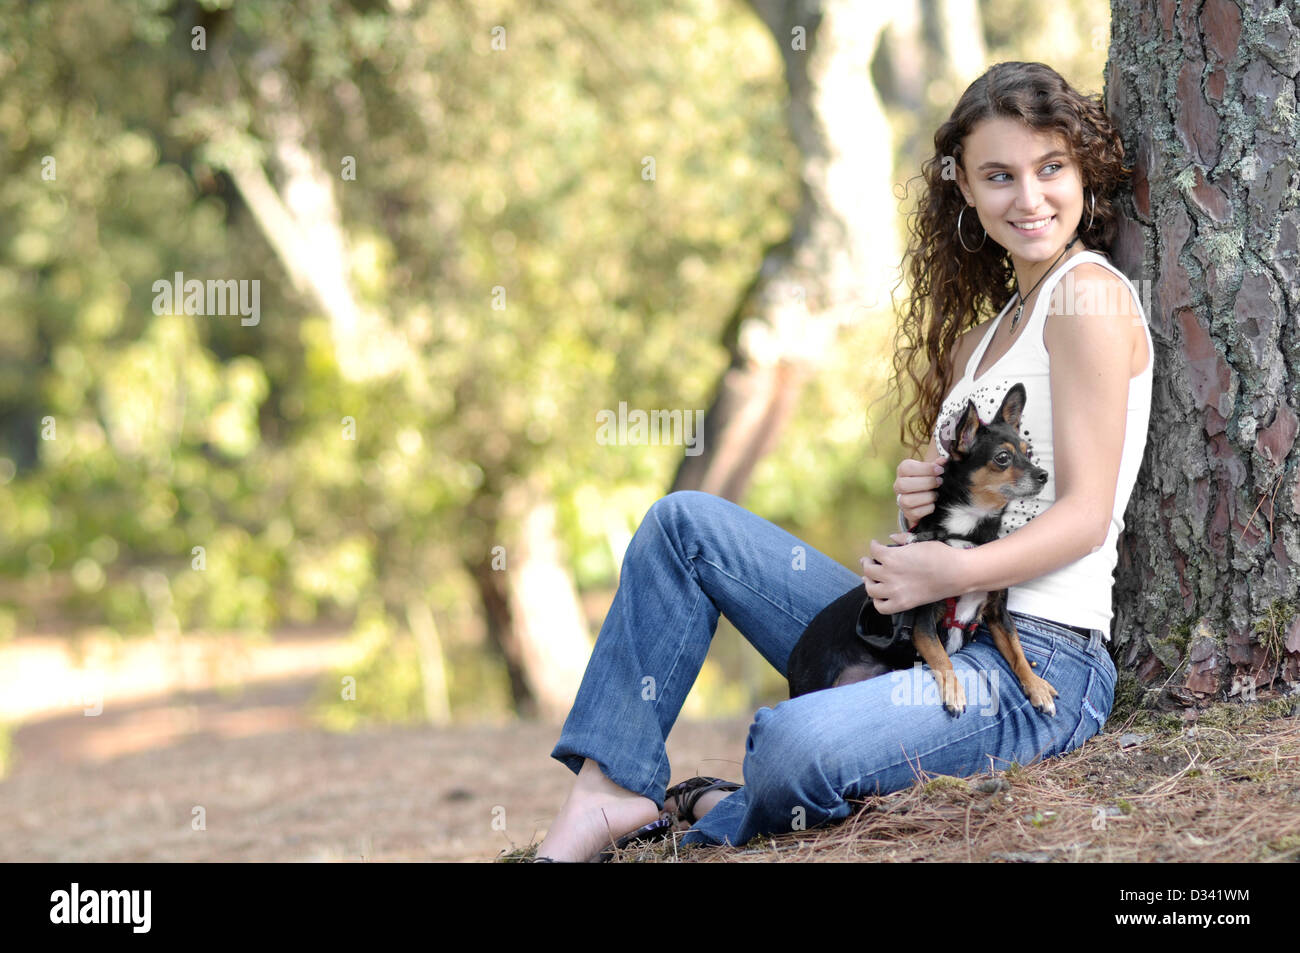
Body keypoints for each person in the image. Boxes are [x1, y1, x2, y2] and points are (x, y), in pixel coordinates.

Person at [530, 61, 1153, 862]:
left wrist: (945, 575)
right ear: (962, 186)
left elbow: (1084, 515)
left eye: (1051, 169)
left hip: (1036, 659)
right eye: (999, 175)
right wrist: (921, 501)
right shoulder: (984, 337)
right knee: (682, 523)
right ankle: (609, 789)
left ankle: (721, 807)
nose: (1029, 198)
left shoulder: (1087, 298)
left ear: (1081, 170)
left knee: (789, 746)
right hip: (918, 629)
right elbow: (959, 518)